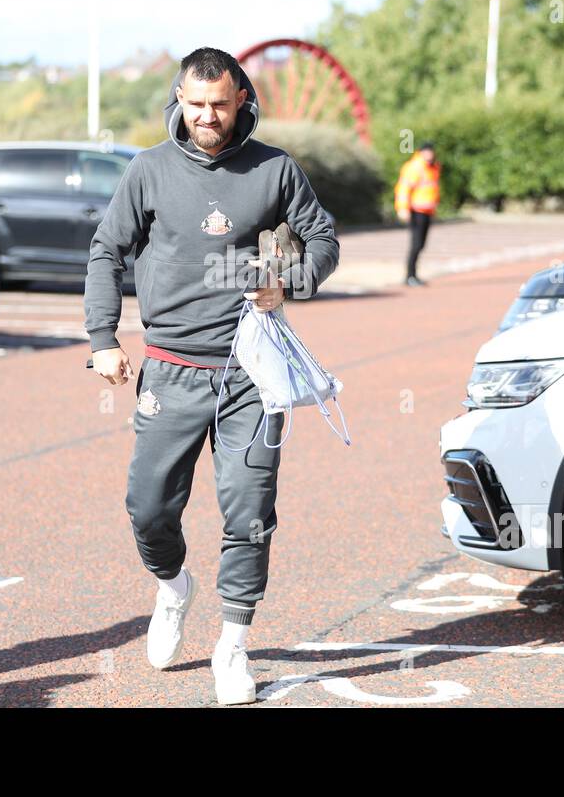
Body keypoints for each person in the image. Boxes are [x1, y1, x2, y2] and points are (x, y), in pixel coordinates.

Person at [83, 47, 339, 706]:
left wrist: (293, 279)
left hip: (251, 373)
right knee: (147, 507)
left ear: (242, 101)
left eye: (219, 104)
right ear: (178, 100)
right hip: (170, 370)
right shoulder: (149, 170)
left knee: (249, 509)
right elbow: (108, 251)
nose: (207, 116)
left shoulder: (274, 169)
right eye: (195, 105)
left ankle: (233, 644)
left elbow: (323, 239)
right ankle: (172, 586)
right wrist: (103, 339)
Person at [394, 142, 440, 286]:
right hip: (416, 210)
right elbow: (403, 189)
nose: (430, 154)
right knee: (416, 244)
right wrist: (403, 208)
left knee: (421, 245)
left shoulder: (433, 167)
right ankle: (410, 276)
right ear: (421, 153)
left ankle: (413, 275)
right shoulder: (415, 167)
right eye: (427, 151)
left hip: (427, 211)